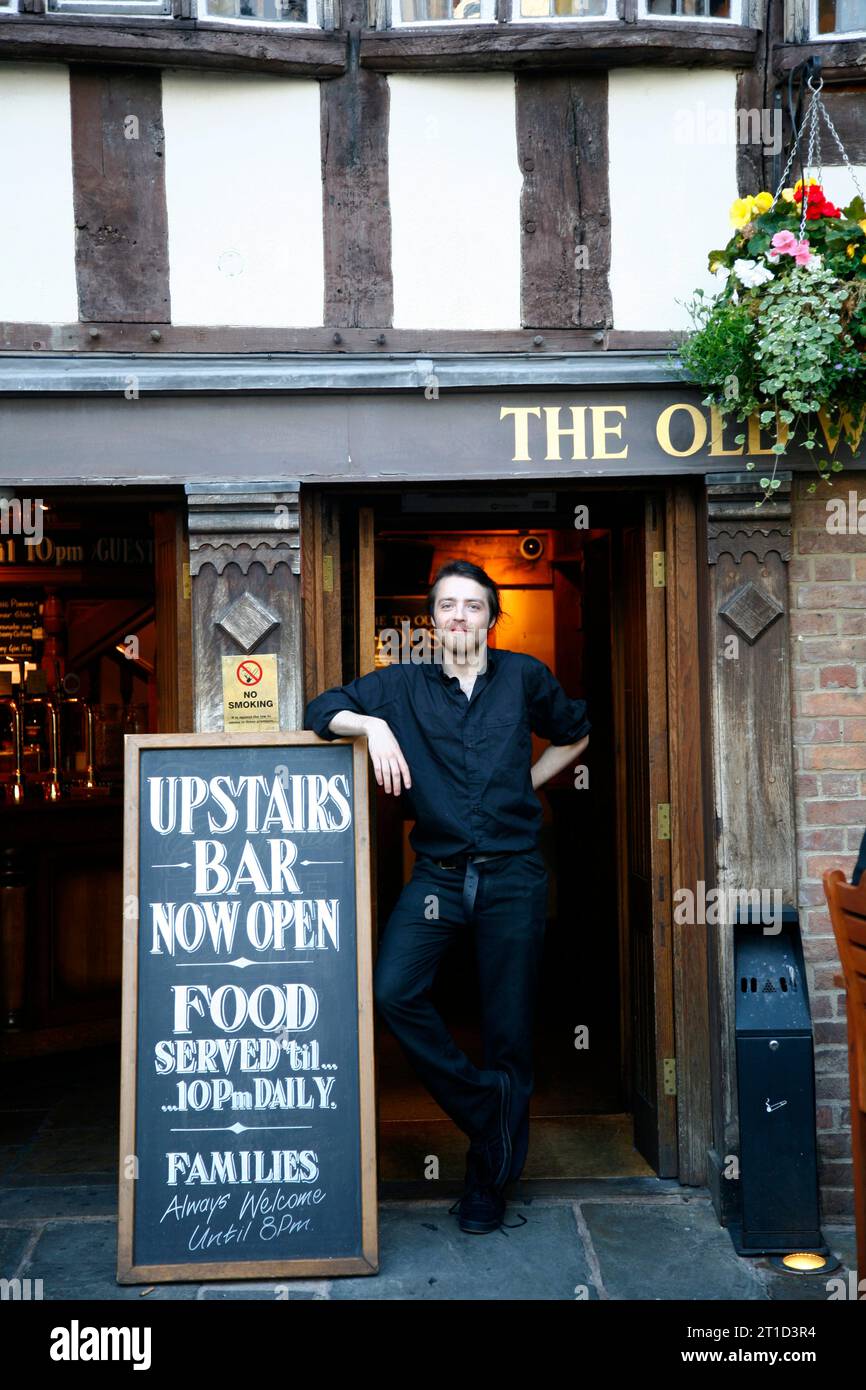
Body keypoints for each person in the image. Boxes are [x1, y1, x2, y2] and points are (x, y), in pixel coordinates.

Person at [303, 559, 591, 1234]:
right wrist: (370, 727)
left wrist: (528, 782)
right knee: (393, 990)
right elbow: (321, 709)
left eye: (472, 606)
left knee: (508, 1031)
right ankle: (485, 1108)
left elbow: (575, 730)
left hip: (513, 873)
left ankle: (488, 1177)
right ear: (432, 620)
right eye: (447, 606)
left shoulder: (523, 678)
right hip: (436, 875)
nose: (460, 616)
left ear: (492, 617)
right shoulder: (402, 687)